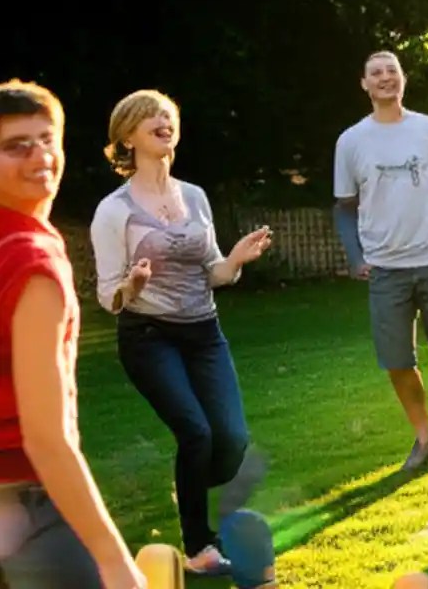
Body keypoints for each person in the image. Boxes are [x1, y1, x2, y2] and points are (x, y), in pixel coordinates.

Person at [89, 89, 272, 575]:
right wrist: (134, 283)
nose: (163, 122)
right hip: (149, 336)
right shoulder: (114, 210)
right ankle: (199, 547)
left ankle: (188, 482)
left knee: (229, 441)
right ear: (127, 136)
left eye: (168, 116)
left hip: (204, 333)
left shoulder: (194, 196)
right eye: (150, 117)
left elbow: (212, 273)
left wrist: (235, 259)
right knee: (196, 433)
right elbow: (108, 296)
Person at [0, 79, 146, 588]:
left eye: (47, 139)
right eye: (16, 145)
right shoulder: (29, 260)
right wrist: (114, 559)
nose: (39, 154)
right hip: (26, 502)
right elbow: (45, 435)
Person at [333, 51, 428, 471]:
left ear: (403, 79)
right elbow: (343, 207)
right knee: (397, 359)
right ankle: (422, 436)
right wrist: (355, 256)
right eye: (376, 73)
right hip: (385, 267)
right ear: (364, 84)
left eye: (391, 71)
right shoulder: (351, 141)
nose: (385, 78)